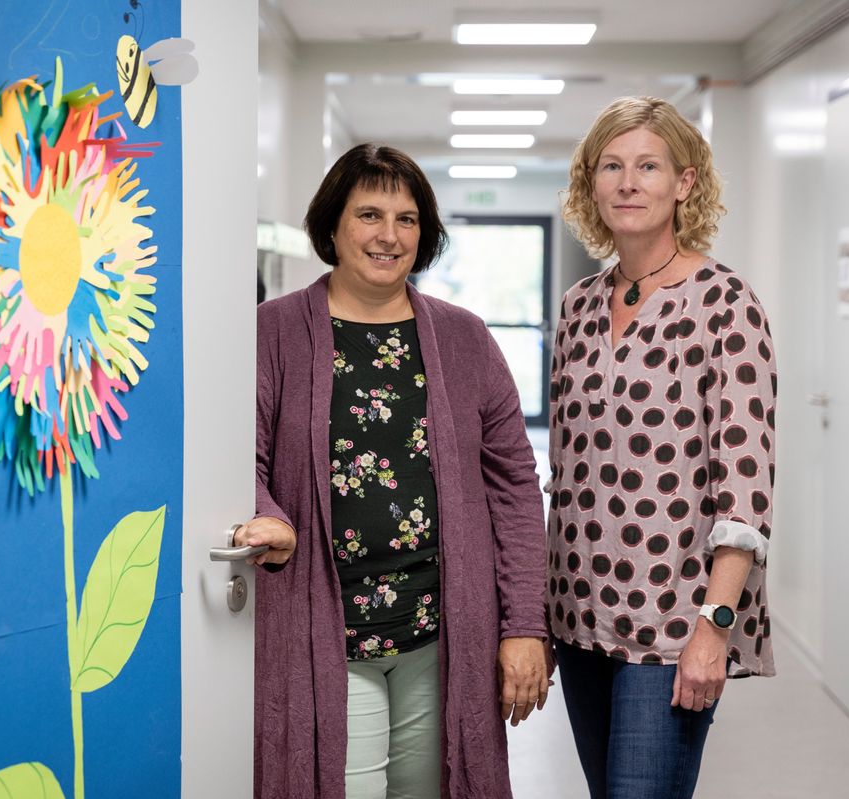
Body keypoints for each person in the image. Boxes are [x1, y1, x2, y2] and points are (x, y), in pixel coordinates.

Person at [235, 143, 551, 799]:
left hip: (442, 633)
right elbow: (237, 450)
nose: (389, 235)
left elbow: (516, 490)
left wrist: (523, 625)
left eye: (406, 219)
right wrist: (269, 513)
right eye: (370, 214)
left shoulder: (466, 339)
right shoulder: (273, 332)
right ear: (332, 225)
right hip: (323, 625)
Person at [549, 96, 778, 799]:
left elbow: (745, 487)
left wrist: (714, 626)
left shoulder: (724, 302)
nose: (627, 181)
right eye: (611, 165)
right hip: (580, 611)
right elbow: (564, 472)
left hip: (673, 621)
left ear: (684, 183)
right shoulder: (578, 305)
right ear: (591, 183)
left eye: (648, 165)